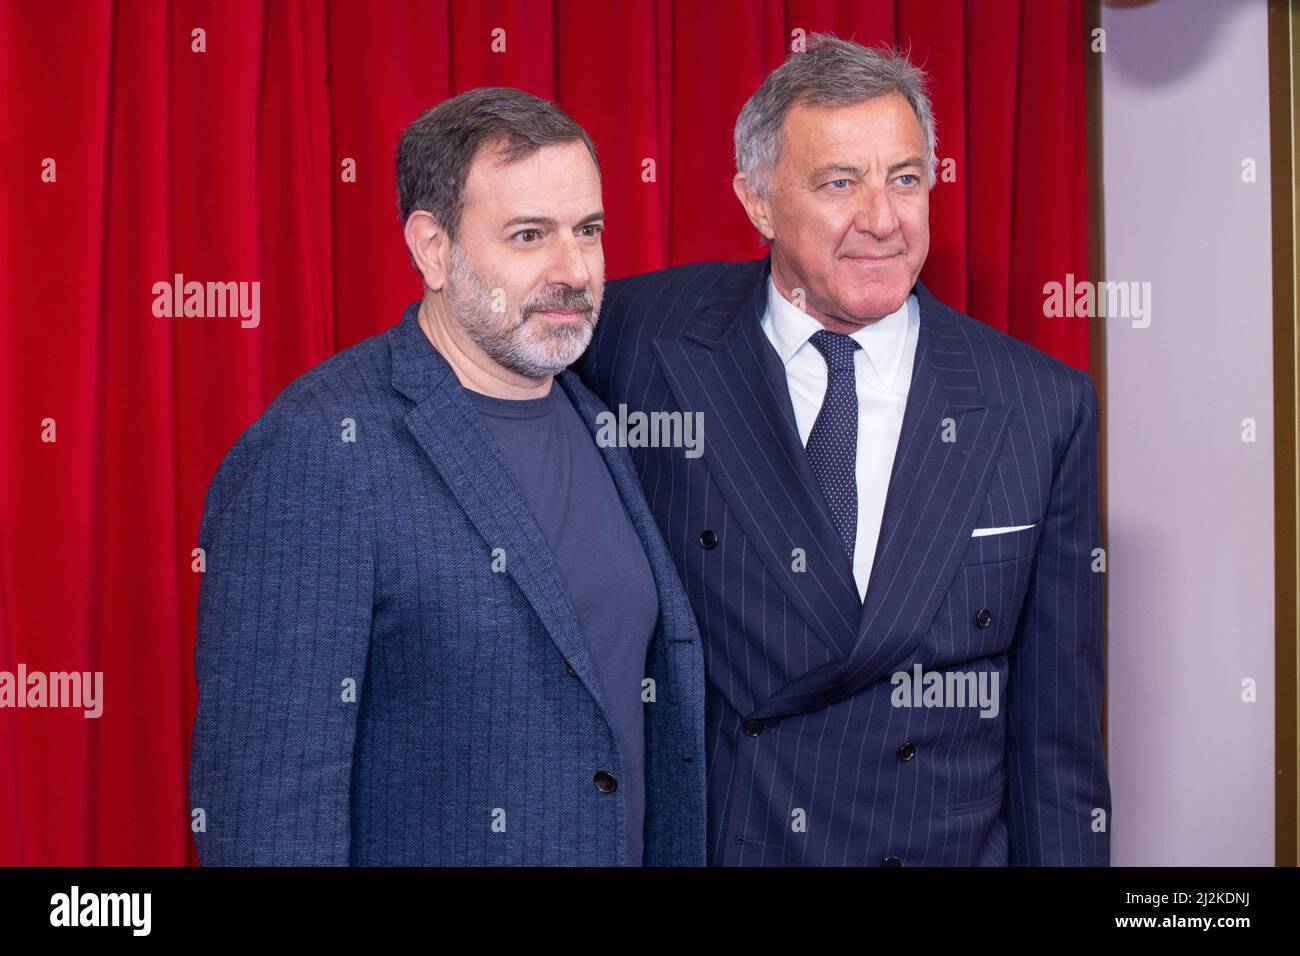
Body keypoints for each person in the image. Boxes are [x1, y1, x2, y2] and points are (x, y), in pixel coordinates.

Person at [577, 35, 1111, 866]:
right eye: (838, 184)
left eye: (905, 178)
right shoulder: (639, 340)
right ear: (757, 203)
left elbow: (1059, 739)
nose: (883, 219)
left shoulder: (1038, 405)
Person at [189, 87, 706, 866]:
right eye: (529, 235)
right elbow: (268, 815)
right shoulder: (319, 449)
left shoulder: (602, 415)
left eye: (589, 231)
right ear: (433, 248)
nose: (574, 271)